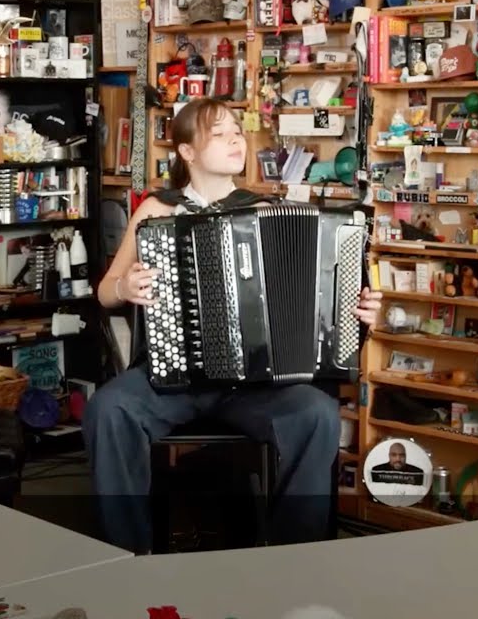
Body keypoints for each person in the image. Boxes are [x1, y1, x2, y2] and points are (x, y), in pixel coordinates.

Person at [84, 97, 382, 554]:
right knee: (108, 409)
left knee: (316, 415)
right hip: (174, 378)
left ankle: (296, 559)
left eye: (237, 132)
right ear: (186, 151)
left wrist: (356, 312)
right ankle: (124, 558)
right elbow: (104, 292)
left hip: (256, 385)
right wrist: (124, 287)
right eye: (219, 134)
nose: (235, 141)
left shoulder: (265, 210)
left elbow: (318, 304)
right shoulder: (156, 211)